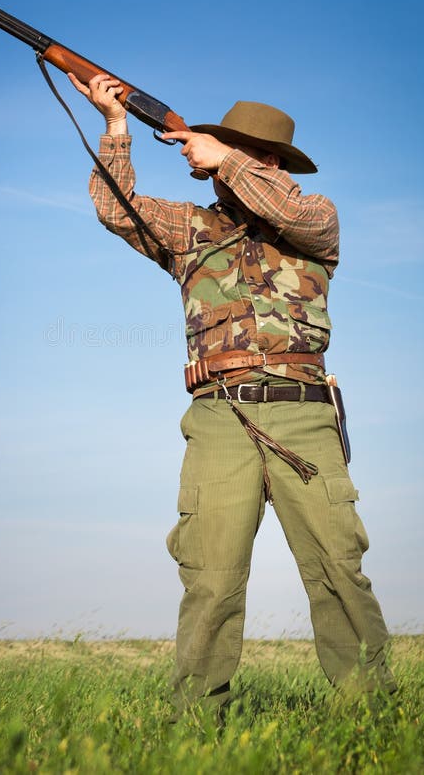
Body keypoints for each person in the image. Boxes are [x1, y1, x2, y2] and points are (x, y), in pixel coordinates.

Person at [69, 72, 397, 716]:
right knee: (211, 579)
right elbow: (115, 208)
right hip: (220, 415)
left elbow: (290, 209)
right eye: (242, 148)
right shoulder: (191, 228)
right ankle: (194, 729)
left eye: (265, 155)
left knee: (338, 570)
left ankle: (377, 723)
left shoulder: (316, 220)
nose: (256, 162)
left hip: (305, 416)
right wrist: (117, 128)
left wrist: (227, 157)